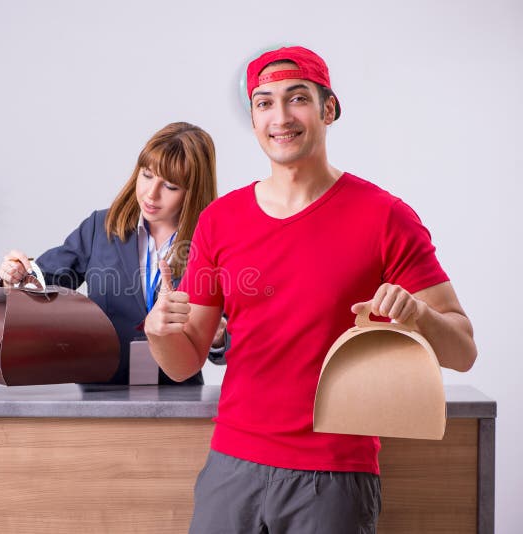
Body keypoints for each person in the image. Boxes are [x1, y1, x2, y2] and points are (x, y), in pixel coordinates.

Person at [144, 46, 477, 533]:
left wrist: (418, 315)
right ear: (254, 119)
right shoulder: (220, 221)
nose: (280, 117)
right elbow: (184, 362)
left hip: (335, 475)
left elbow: (463, 350)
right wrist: (159, 333)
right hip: (231, 466)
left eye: (297, 98)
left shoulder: (384, 217)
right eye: (265, 103)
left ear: (329, 109)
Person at [0, 122, 227, 385]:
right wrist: (16, 277)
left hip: (177, 392)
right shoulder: (100, 227)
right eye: (147, 175)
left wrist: (218, 338)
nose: (151, 194)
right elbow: (43, 284)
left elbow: (232, 332)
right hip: (103, 390)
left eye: (170, 186)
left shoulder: (212, 242)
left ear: (193, 192)